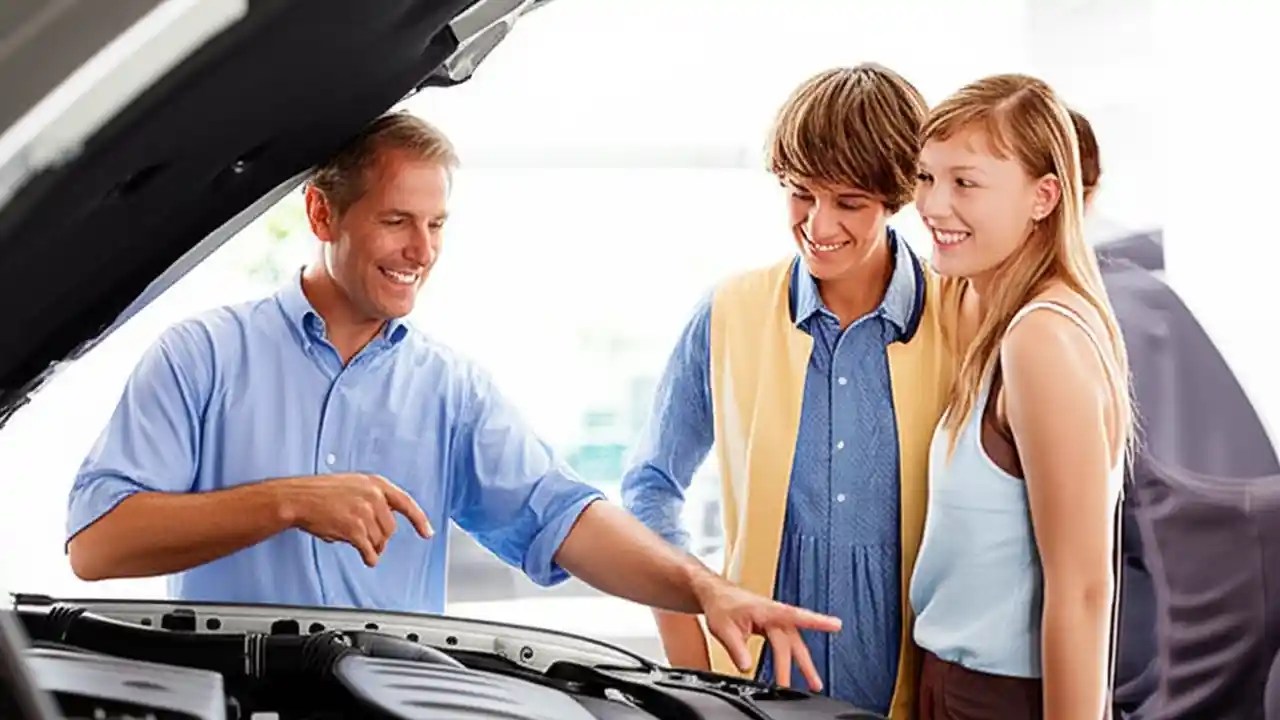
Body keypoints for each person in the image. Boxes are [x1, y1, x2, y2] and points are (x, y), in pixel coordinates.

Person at [63, 111, 842, 687]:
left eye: (437, 224)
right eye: (398, 221)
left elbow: (561, 516)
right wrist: (287, 503)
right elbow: (96, 544)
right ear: (321, 214)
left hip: (388, 707)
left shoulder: (450, 389)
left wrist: (705, 590)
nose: (423, 251)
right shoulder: (201, 357)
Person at [621, 64, 953, 718]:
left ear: (899, 197)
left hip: (913, 697)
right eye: (801, 193)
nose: (818, 224)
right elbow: (650, 487)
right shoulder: (727, 314)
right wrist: (693, 664)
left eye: (849, 202)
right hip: (749, 697)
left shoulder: (964, 321)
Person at [909, 74, 1132, 719]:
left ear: (1044, 197)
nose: (932, 205)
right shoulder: (982, 303)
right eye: (926, 178)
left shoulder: (1042, 339)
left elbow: (1085, 589)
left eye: (965, 182)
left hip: (996, 698)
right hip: (950, 684)